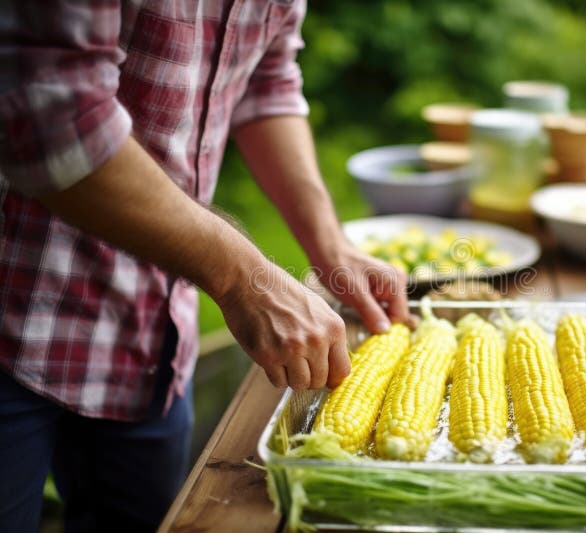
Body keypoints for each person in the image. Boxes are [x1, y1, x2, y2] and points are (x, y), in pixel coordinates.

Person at [0, 1, 408, 531]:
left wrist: (331, 247)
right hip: (15, 313)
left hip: (155, 335)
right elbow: (50, 116)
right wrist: (243, 279)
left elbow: (267, 79)